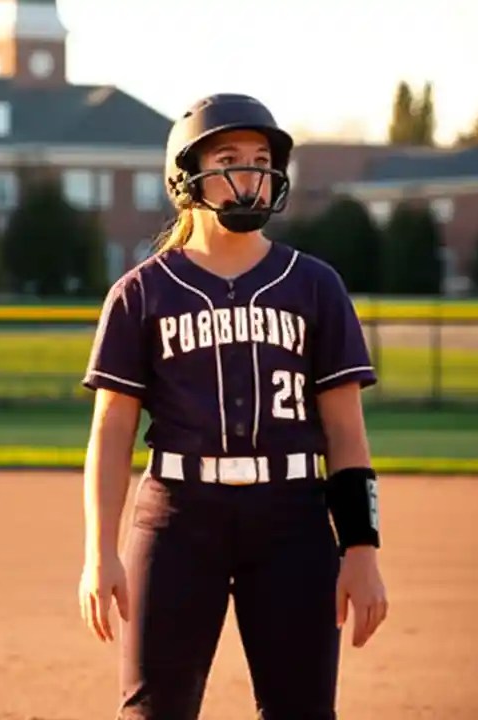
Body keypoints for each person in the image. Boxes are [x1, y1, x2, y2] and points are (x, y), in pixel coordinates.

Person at [76, 93, 389, 720]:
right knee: (153, 711)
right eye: (228, 158)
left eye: (261, 159)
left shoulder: (315, 285)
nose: (250, 173)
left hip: (293, 519)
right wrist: (99, 551)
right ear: (186, 177)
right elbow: (112, 432)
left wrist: (361, 550)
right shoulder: (142, 292)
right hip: (176, 518)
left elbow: (345, 432)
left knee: (301, 710)